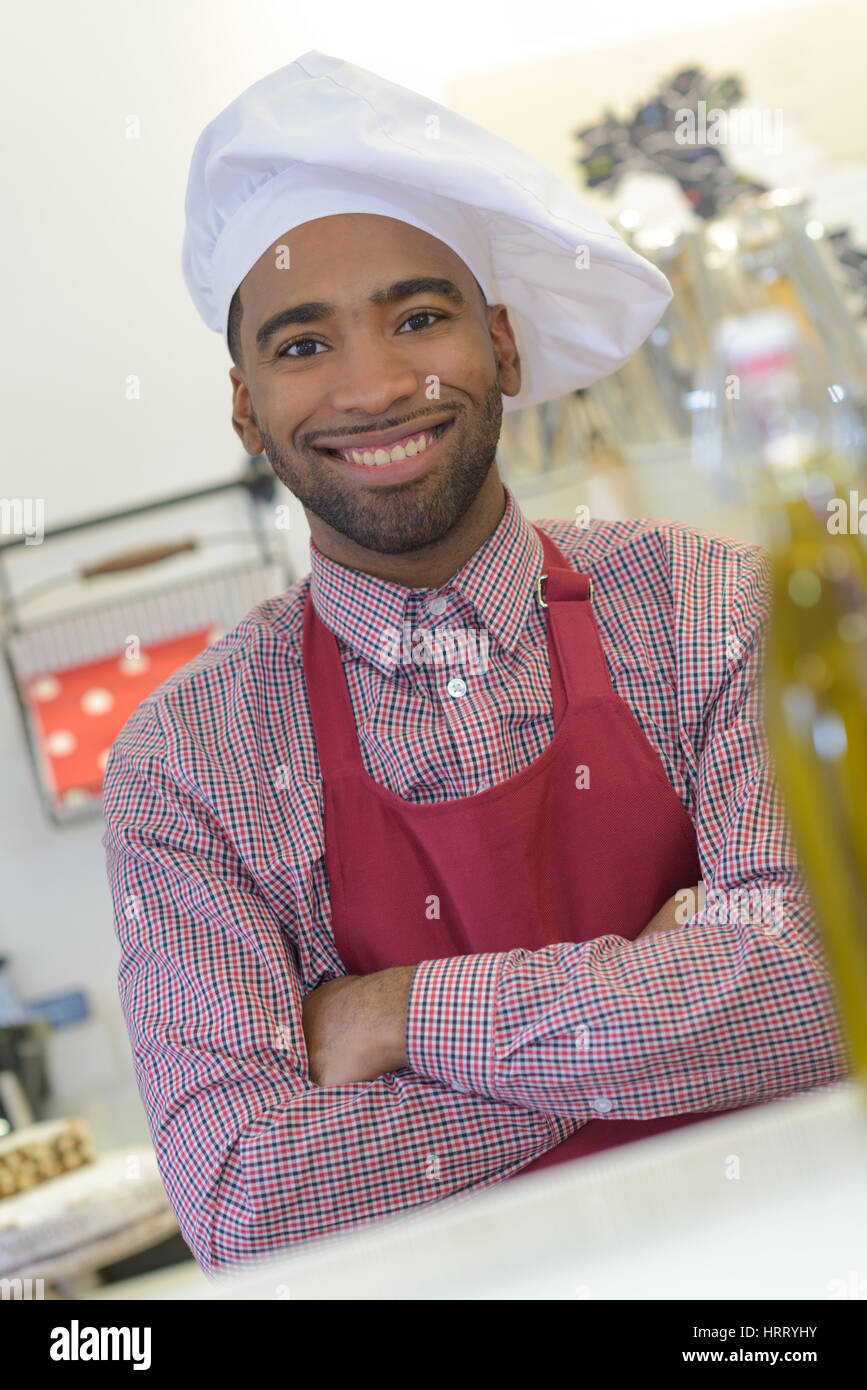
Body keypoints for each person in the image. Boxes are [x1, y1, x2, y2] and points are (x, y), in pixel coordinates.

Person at [102, 52, 847, 1278]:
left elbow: (815, 996)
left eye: (418, 316)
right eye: (303, 343)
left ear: (499, 342)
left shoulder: (711, 604)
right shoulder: (184, 764)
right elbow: (242, 1196)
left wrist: (399, 1020)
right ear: (244, 409)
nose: (377, 385)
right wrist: (666, 1002)